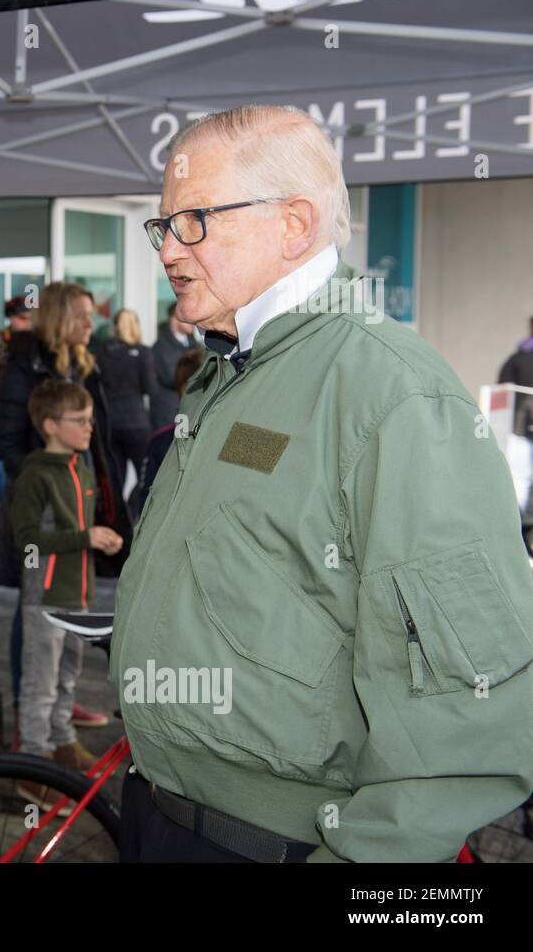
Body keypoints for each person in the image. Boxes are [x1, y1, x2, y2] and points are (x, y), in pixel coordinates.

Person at [115, 105, 533, 862]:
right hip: (160, 813)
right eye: (164, 226)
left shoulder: (393, 393)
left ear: (295, 224)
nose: (170, 251)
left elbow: (472, 713)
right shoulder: (231, 370)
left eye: (195, 221)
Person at [0, 281, 131, 739]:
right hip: (46, 508)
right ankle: (30, 715)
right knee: (34, 612)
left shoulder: (85, 364)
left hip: (82, 490)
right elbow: (8, 443)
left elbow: (101, 439)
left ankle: (58, 708)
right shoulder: (23, 365)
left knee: (73, 603)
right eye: (82, 316)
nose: (92, 324)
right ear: (59, 318)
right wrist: (46, 478)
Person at [12, 380, 124, 806]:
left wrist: (97, 539)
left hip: (78, 593)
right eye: (80, 421)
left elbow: (80, 531)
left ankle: (61, 740)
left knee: (67, 675)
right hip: (46, 597)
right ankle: (30, 765)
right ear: (50, 426)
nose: (90, 428)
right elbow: (25, 541)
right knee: (40, 682)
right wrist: (85, 538)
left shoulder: (81, 466)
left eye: (90, 419)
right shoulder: (36, 475)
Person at [130, 346, 205, 517]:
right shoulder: (160, 442)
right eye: (189, 392)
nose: (196, 400)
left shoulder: (227, 436)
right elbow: (146, 502)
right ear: (179, 392)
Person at [98, 308, 156, 495]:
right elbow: (150, 388)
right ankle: (135, 516)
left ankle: (118, 521)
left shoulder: (104, 352)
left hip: (110, 423)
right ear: (135, 326)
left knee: (115, 479)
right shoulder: (143, 353)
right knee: (147, 478)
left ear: (115, 327)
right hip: (136, 422)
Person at [497, 315, 533, 528]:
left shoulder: (518, 358)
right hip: (521, 428)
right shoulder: (518, 358)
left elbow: (502, 386)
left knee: (519, 478)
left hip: (520, 427)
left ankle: (519, 526)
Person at [149, 302, 200, 430]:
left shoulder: (195, 345)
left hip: (191, 409)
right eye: (188, 316)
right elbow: (172, 377)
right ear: (174, 318)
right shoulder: (160, 347)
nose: (193, 322)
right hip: (168, 412)